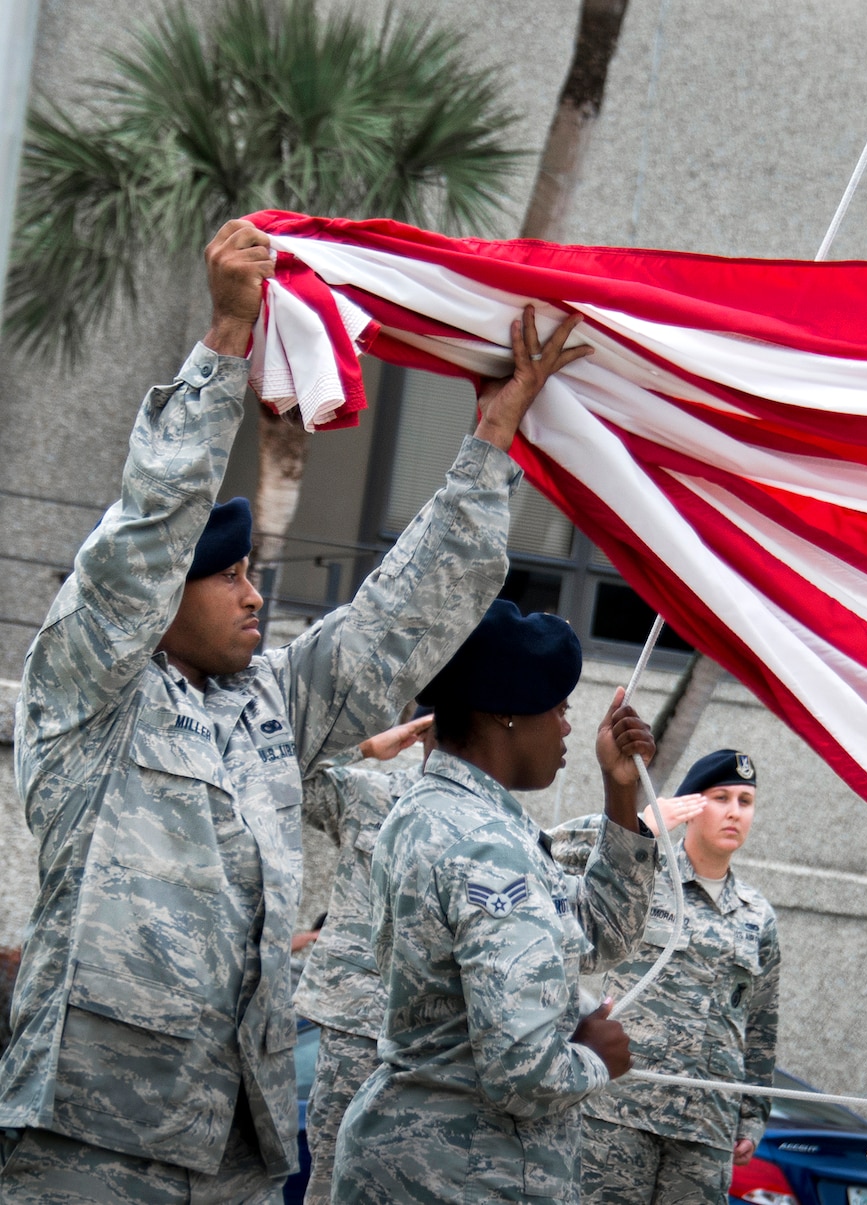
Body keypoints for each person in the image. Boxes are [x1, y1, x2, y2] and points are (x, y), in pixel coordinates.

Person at [1, 219, 586, 1203]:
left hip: (238, 1140)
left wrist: (490, 444)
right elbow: (148, 526)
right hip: (92, 1136)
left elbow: (399, 619)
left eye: (249, 571)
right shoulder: (88, 693)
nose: (251, 592)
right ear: (157, 601)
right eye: (223, 575)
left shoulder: (269, 701)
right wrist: (228, 334)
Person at [330, 601, 703, 1204]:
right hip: (462, 1173)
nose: (566, 728)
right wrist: (593, 1056)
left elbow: (598, 930)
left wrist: (620, 790)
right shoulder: (484, 845)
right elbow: (521, 1072)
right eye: (558, 709)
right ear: (506, 713)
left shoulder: (441, 813)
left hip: (428, 1163)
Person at [561, 749, 781, 1205]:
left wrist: (751, 1114)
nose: (734, 812)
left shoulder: (758, 916)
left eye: (745, 801)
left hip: (706, 1127)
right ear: (690, 805)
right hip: (622, 1111)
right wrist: (639, 828)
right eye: (721, 797)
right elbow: (551, 851)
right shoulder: (642, 874)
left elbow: (760, 1023)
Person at [294, 709, 435, 1205]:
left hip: (439, 1043)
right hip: (356, 1022)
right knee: (332, 1184)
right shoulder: (369, 794)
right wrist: (364, 747)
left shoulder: (507, 825)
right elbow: (269, 773)